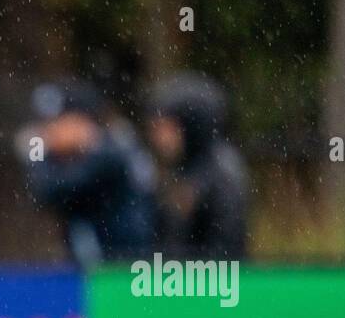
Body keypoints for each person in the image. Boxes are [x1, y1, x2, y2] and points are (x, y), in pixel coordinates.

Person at [18, 79, 157, 266]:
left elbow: (52, 187)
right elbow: (41, 188)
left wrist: (39, 149)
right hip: (97, 265)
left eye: (60, 122)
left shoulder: (110, 150)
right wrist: (42, 150)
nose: (51, 131)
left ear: (82, 122)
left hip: (127, 266)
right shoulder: (72, 153)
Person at [146, 72, 250, 260]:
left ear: (192, 125)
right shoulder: (183, 169)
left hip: (207, 284)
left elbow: (225, 248)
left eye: (167, 128)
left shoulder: (221, 173)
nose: (159, 138)